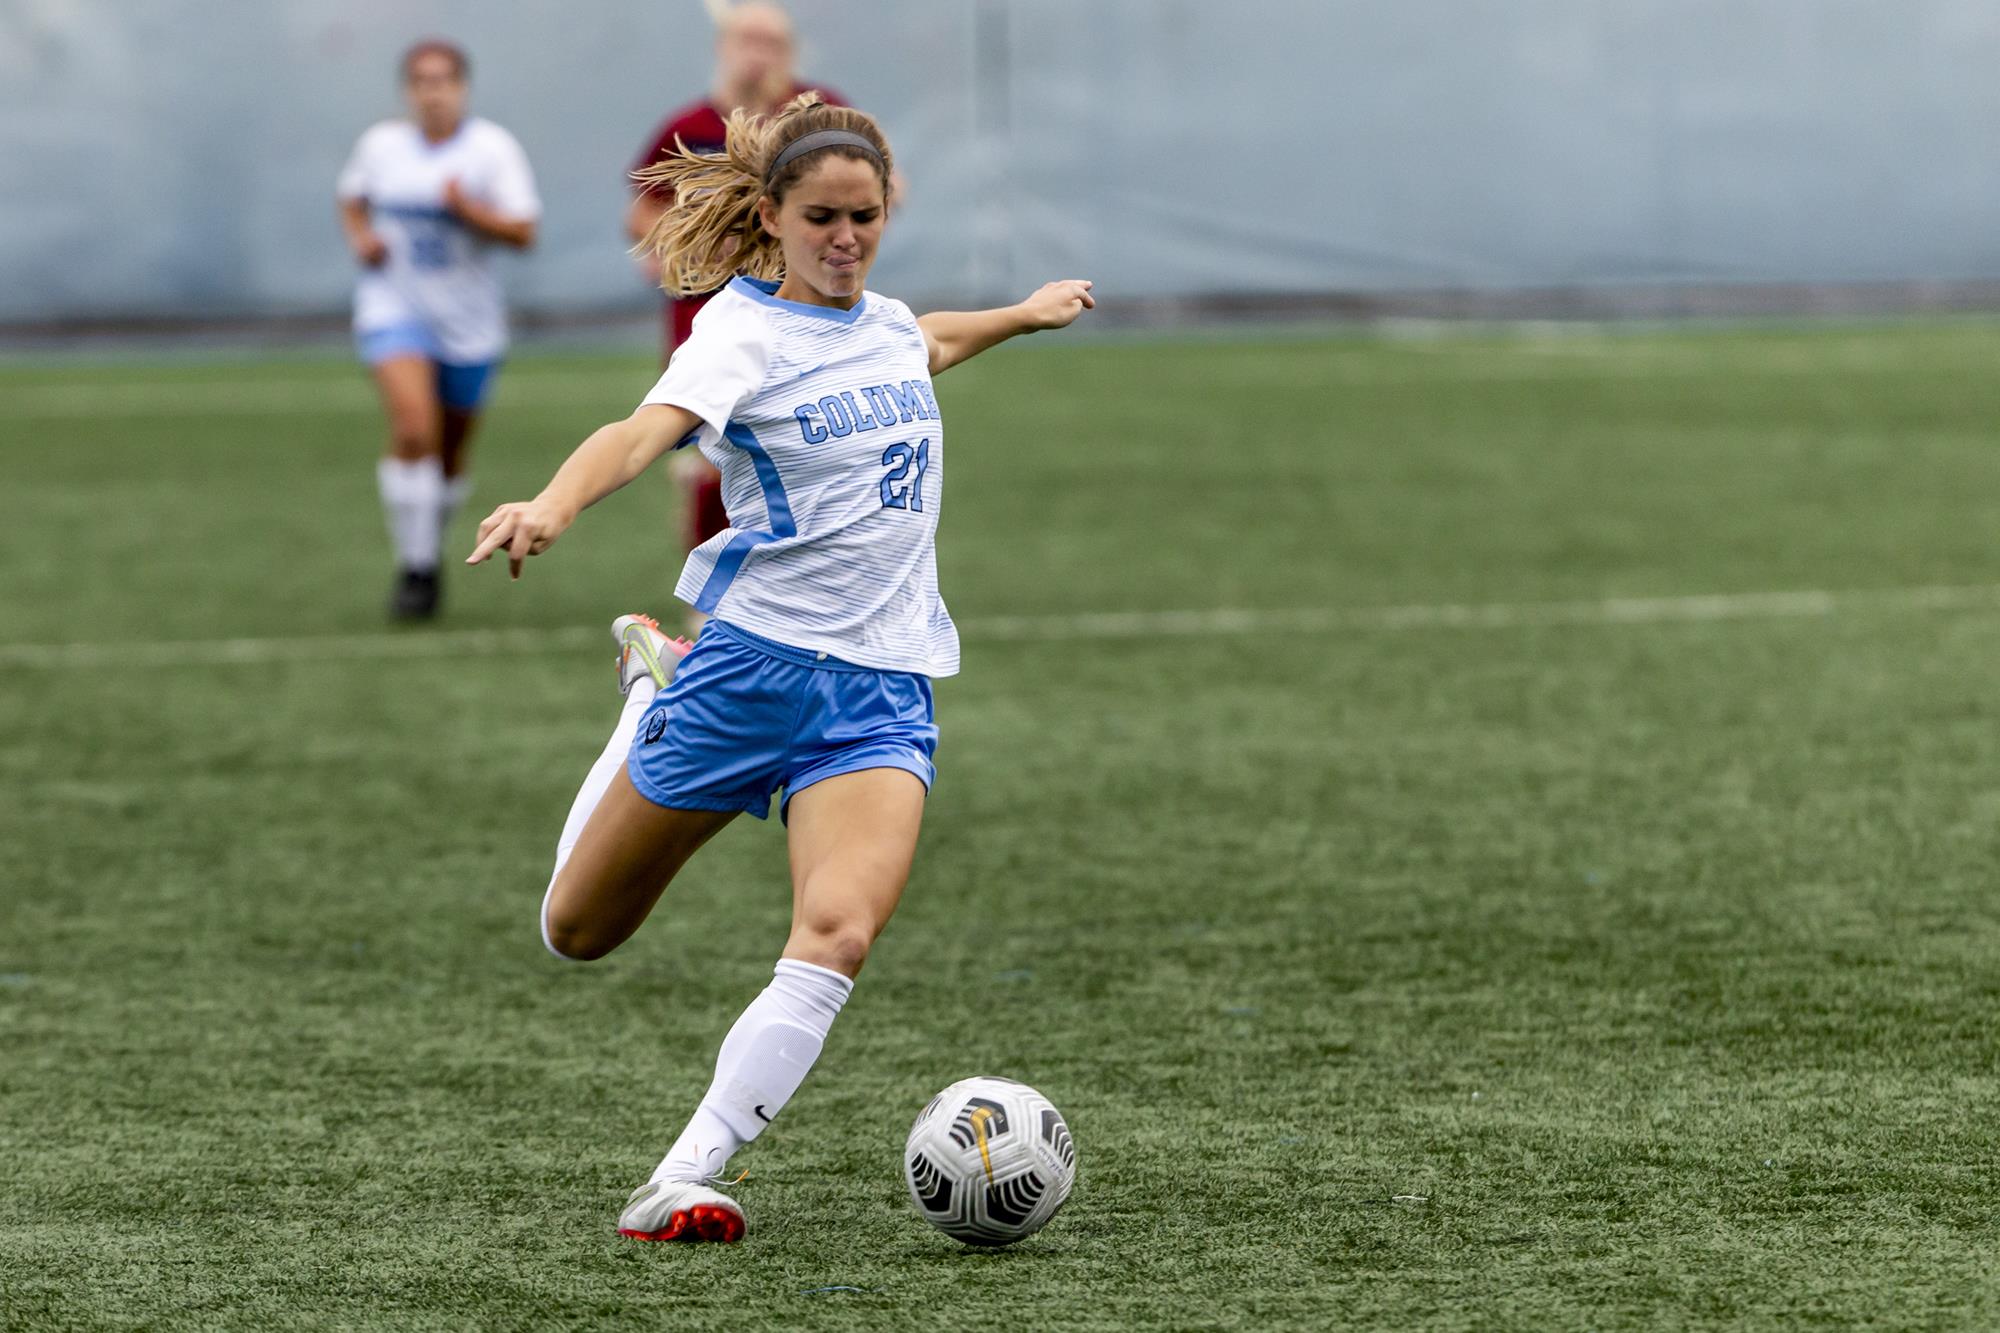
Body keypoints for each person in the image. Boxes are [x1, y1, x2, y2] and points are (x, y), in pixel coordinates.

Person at [466, 93, 1094, 1243]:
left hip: (880, 692)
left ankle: (685, 1172)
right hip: (747, 672)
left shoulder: (890, 321)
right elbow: (637, 433)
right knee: (577, 931)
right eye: (821, 219)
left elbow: (931, 341)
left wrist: (1024, 313)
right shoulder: (739, 334)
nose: (844, 240)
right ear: (772, 213)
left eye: (863, 217)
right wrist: (553, 502)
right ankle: (651, 692)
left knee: (837, 931)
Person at [624, 2, 848, 633]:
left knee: (801, 441)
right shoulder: (691, 126)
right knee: (713, 445)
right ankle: (709, 606)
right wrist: (687, 243)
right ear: (724, 46)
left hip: (801, 312)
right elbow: (642, 216)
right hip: (708, 311)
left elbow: (883, 185)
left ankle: (802, 579)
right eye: (748, 39)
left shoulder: (819, 115)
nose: (760, 53)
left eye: (772, 41)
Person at [337, 38, 540, 620]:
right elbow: (352, 200)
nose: (432, 92)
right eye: (421, 81)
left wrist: (469, 212)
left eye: (443, 80)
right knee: (413, 430)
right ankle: (418, 570)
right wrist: (362, 238)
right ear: (408, 90)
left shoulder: (491, 150)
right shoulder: (381, 146)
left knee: (449, 455)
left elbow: (524, 233)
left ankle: (425, 536)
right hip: (394, 308)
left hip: (468, 323)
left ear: (462, 88)